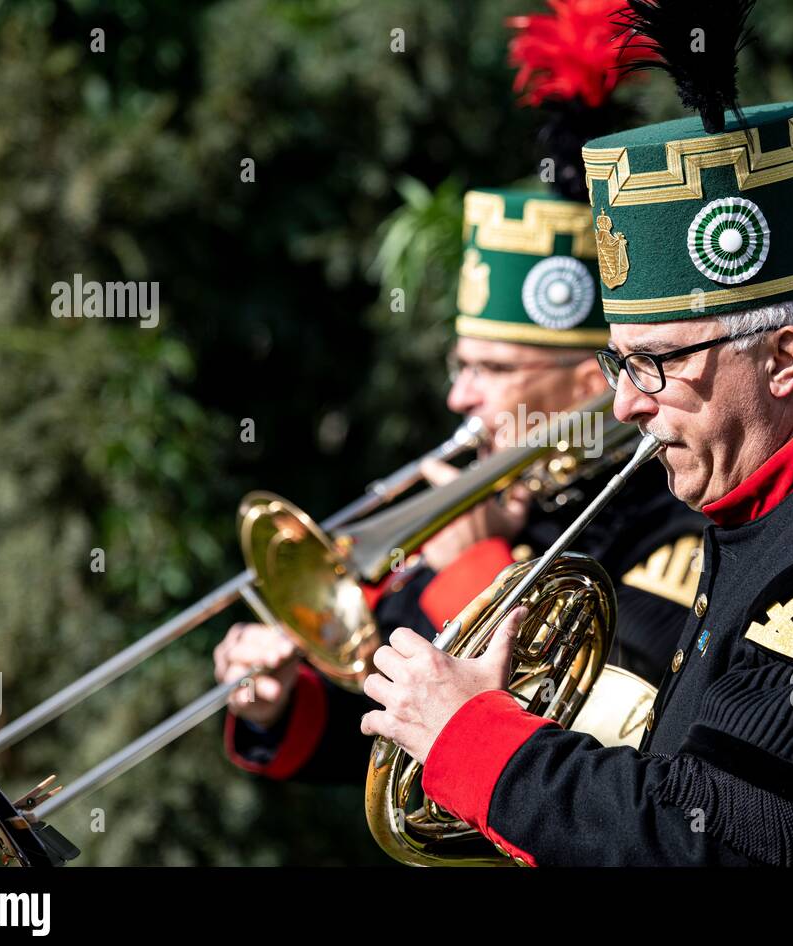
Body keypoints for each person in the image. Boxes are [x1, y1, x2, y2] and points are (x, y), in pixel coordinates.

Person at [358, 86, 793, 864]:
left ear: (782, 359)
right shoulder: (782, 502)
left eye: (655, 363)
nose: (622, 405)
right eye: (619, 360)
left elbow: (724, 845)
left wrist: (482, 743)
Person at [216, 186, 707, 784]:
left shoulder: (671, 506)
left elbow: (631, 722)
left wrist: (476, 570)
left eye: (492, 369)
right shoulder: (494, 506)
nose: (459, 397)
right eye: (461, 366)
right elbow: (379, 730)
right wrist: (279, 701)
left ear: (586, 385)